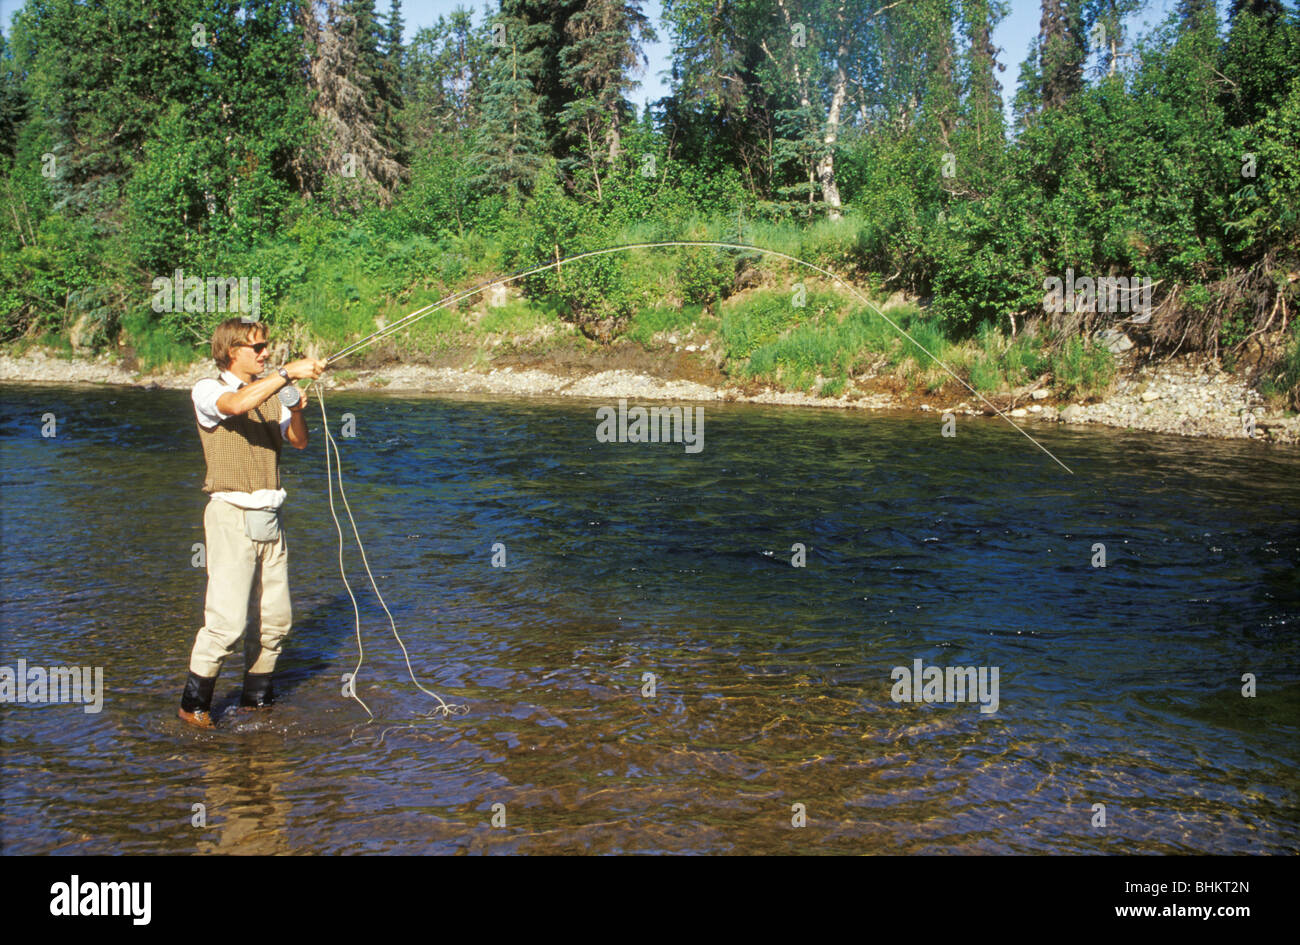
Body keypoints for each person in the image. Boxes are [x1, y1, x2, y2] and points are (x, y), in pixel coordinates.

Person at [178, 317, 326, 728]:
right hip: (230, 518)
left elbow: (298, 440)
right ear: (231, 352)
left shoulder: (272, 394)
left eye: (266, 347)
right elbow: (237, 405)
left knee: (275, 621)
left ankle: (256, 702)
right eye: (256, 348)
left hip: (270, 519)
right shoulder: (208, 390)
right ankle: (193, 707)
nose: (264, 353)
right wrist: (286, 373)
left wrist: (295, 409)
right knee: (225, 625)